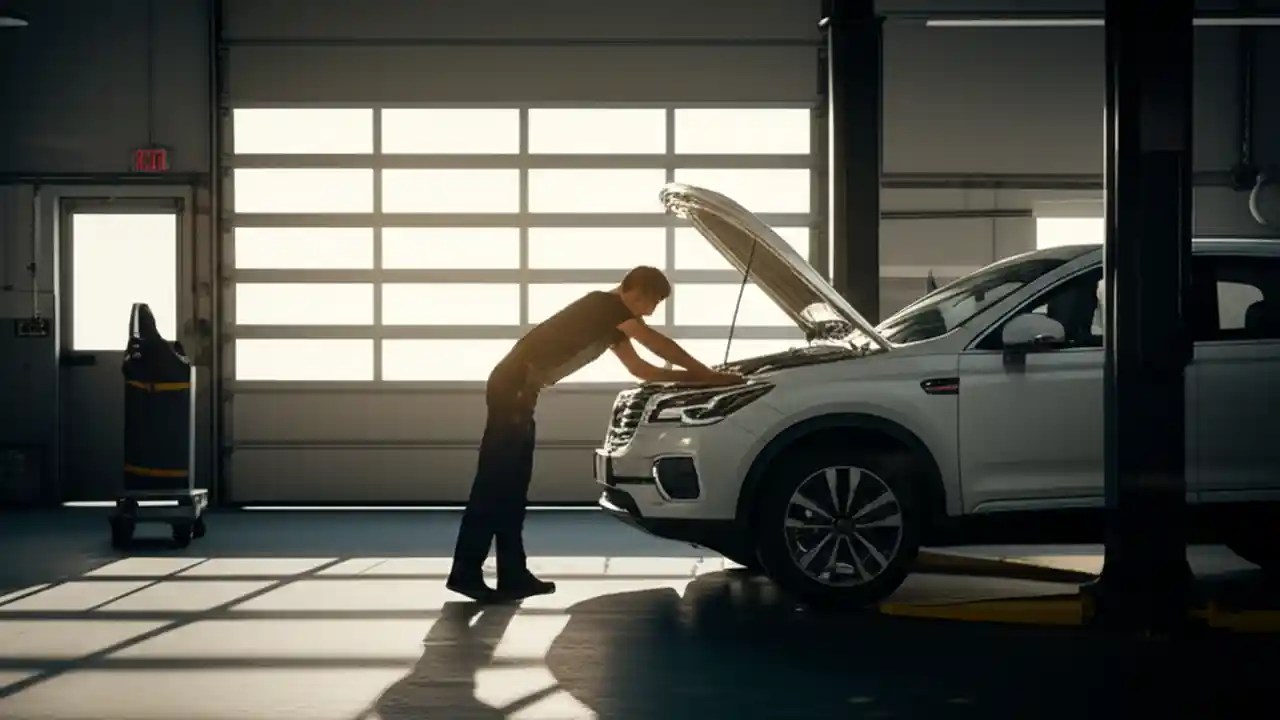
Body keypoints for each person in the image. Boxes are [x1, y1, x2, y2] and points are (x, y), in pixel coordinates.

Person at [447, 266, 744, 602]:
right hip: (511, 388)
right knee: (496, 481)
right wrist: (708, 374)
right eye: (653, 302)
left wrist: (704, 380)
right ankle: (465, 572)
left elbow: (641, 370)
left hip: (520, 392)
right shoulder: (605, 306)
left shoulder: (610, 324)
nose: (651, 310)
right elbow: (658, 345)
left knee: (513, 484)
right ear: (637, 291)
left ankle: (512, 573)